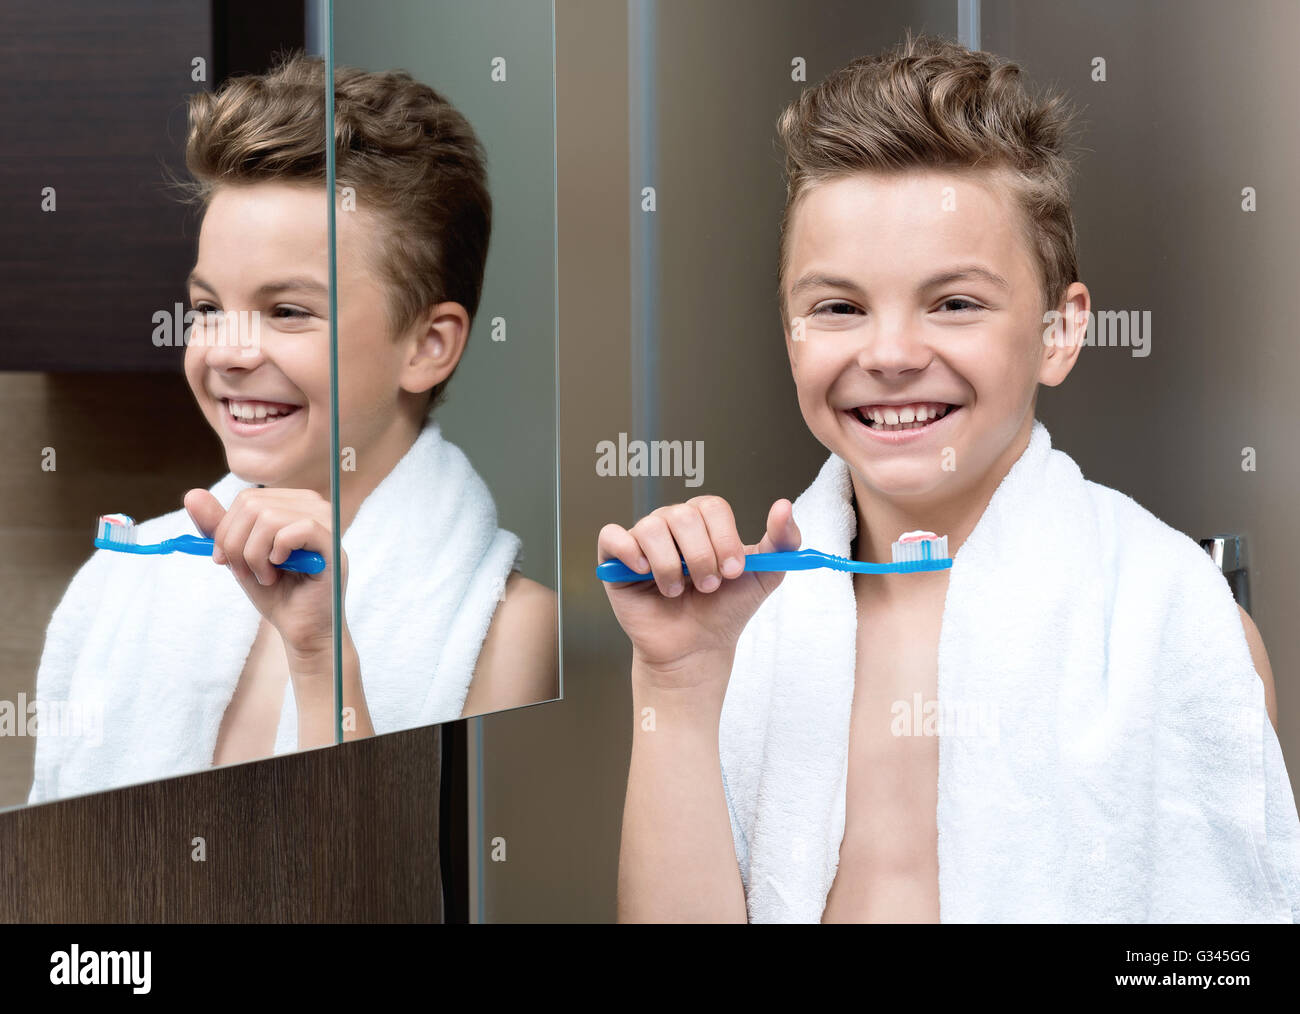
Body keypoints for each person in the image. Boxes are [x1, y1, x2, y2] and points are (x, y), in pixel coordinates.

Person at [600, 32, 1297, 923]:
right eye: (839, 308)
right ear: (790, 334)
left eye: (955, 303)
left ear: (1059, 331)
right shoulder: (741, 630)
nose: (890, 355)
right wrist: (680, 689)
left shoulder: (1178, 623)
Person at [28, 52, 556, 804]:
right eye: (209, 308)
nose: (229, 353)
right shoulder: (121, 585)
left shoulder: (511, 634)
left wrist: (320, 657)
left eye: (288, 311)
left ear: (429, 344)